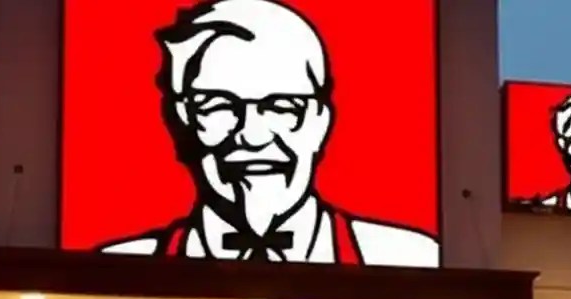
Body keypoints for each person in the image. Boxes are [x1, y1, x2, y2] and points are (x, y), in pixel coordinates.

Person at [98, 0, 439, 267]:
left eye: (282, 107)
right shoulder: (115, 268)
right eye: (219, 106)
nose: (253, 135)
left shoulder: (411, 258)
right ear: (184, 119)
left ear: (320, 121)